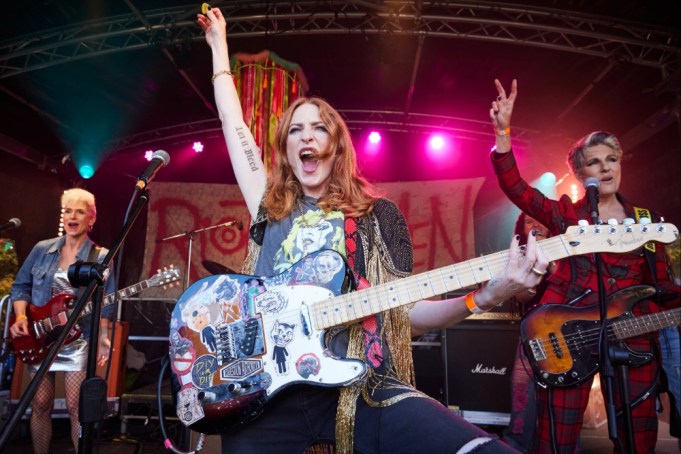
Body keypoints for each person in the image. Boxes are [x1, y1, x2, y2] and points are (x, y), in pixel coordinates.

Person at [198, 7, 549, 453]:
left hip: (358, 387)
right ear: (285, 150)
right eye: (296, 131)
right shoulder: (269, 207)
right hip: (269, 395)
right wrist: (218, 47)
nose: (307, 138)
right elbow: (235, 126)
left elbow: (406, 316)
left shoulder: (379, 216)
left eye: (319, 128)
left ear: (336, 145)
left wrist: (485, 296)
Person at [488, 79, 681, 453]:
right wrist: (503, 132)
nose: (605, 168)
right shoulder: (564, 214)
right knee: (555, 442)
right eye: (594, 161)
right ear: (580, 173)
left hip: (632, 338)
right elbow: (517, 188)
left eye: (611, 159)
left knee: (638, 442)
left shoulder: (647, 220)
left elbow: (660, 288)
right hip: (569, 334)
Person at [9, 188, 115, 454]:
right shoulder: (42, 250)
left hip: (76, 339)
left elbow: (105, 301)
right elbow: (20, 287)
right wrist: (21, 316)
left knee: (75, 407)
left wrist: (103, 337)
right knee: (41, 403)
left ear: (91, 219)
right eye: (68, 211)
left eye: (80, 211)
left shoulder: (100, 257)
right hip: (41, 334)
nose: (72, 216)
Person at [502, 213, 554, 452]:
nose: (535, 225)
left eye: (539, 219)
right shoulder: (520, 256)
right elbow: (522, 296)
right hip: (533, 332)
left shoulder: (567, 248)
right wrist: (534, 275)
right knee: (522, 389)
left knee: (560, 400)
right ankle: (517, 445)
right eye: (528, 222)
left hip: (566, 331)